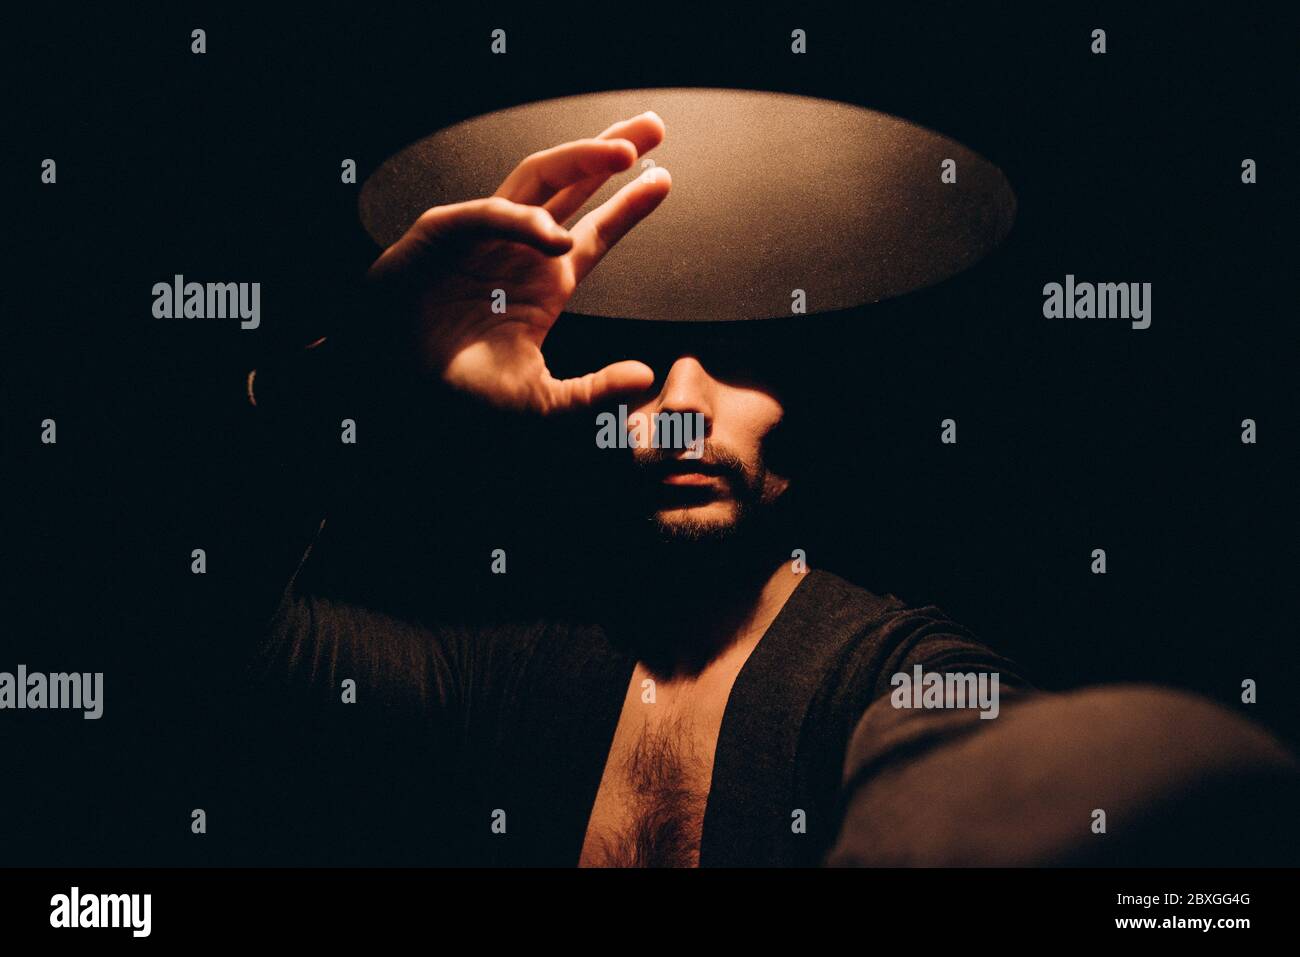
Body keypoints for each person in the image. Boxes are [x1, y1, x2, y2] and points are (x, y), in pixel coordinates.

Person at [234, 111, 1297, 867]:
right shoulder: (501, 678)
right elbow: (186, 643)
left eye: (735, 363)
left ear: (804, 427)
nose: (685, 398)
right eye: (650, 365)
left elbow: (997, 755)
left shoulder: (885, 668)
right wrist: (348, 383)